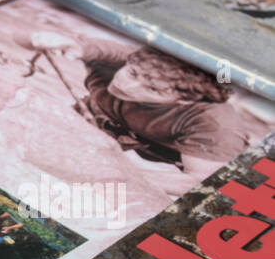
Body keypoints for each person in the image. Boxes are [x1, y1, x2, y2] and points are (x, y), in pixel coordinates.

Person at [25, 31, 251, 172]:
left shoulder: (216, 126)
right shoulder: (118, 58)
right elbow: (25, 38)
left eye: (153, 89)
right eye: (132, 73)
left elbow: (195, 184)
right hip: (91, 129)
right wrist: (45, 39)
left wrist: (121, 169)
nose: (126, 85)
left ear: (183, 101)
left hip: (152, 165)